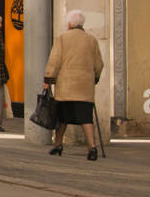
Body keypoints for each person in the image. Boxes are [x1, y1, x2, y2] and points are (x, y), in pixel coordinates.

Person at [43, 9, 105, 160]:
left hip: (66, 87)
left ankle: (58, 145)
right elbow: (99, 64)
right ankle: (92, 147)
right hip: (85, 88)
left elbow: (54, 61)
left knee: (62, 118)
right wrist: (94, 78)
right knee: (86, 118)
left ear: (69, 24)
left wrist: (48, 80)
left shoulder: (62, 39)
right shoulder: (91, 40)